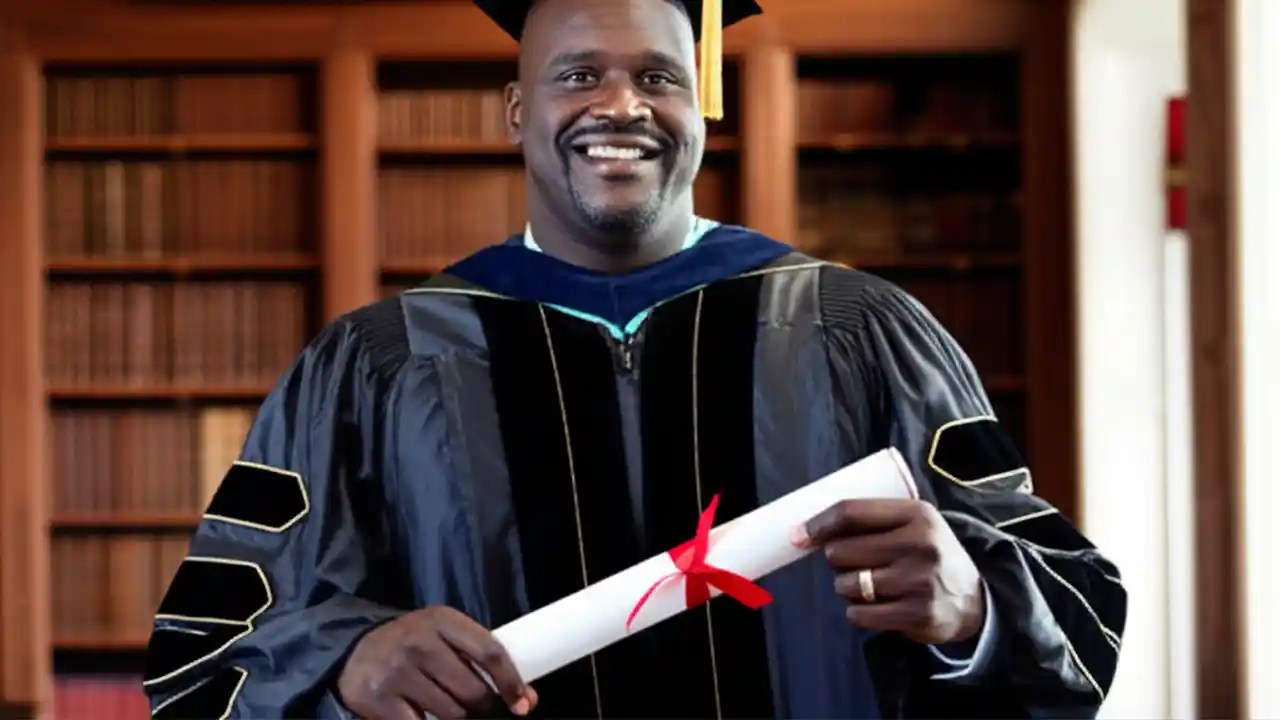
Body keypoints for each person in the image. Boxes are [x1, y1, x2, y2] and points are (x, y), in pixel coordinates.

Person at [140, 0, 1127, 717]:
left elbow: (1076, 619)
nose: (620, 104)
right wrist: (344, 667)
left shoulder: (864, 333)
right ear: (517, 111)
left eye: (656, 75)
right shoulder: (371, 366)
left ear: (700, 102)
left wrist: (973, 611)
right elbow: (205, 656)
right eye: (576, 75)